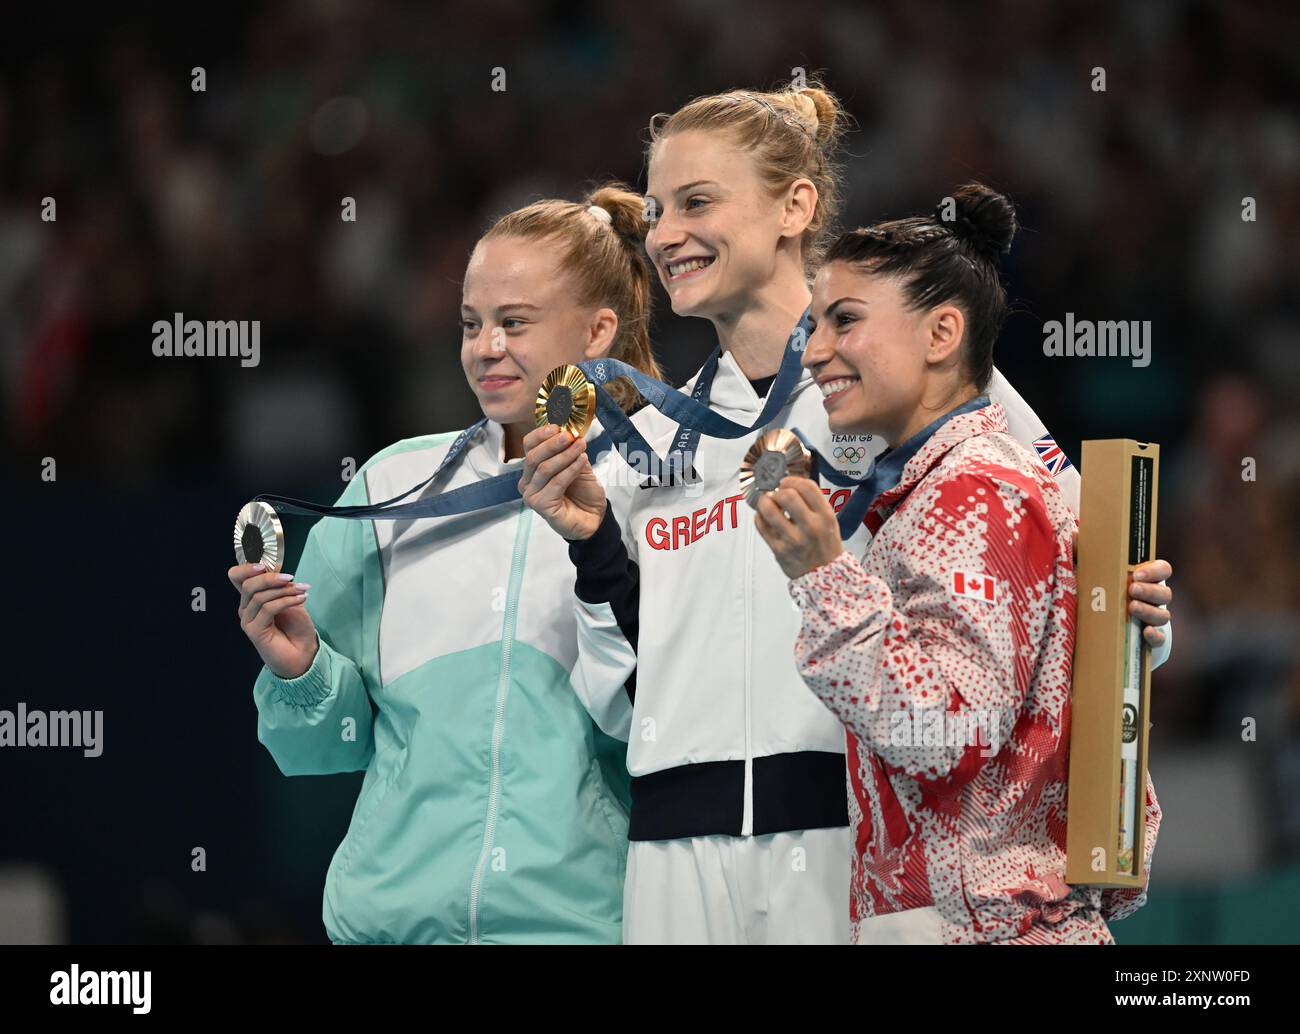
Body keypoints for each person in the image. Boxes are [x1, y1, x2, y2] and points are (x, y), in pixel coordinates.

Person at [519, 82, 1172, 944]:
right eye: (655, 209)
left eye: (696, 202)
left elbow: (1079, 578)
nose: (664, 233)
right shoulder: (640, 449)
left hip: (856, 846)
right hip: (674, 856)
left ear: (796, 206)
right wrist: (597, 550)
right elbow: (623, 697)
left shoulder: (911, 390)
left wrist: (1139, 627)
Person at [228, 184, 661, 944]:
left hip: (580, 926)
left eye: (514, 323)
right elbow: (321, 749)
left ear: (598, 331)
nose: (486, 348)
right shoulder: (393, 485)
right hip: (392, 926)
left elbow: (678, 724)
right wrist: (302, 673)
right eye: (472, 323)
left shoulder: (663, 485)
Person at [754, 183, 1161, 944]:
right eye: (812, 325)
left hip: (980, 925)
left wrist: (823, 573)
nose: (812, 351)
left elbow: (944, 732)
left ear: (943, 332)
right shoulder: (951, 487)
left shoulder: (973, 489)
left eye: (844, 321)